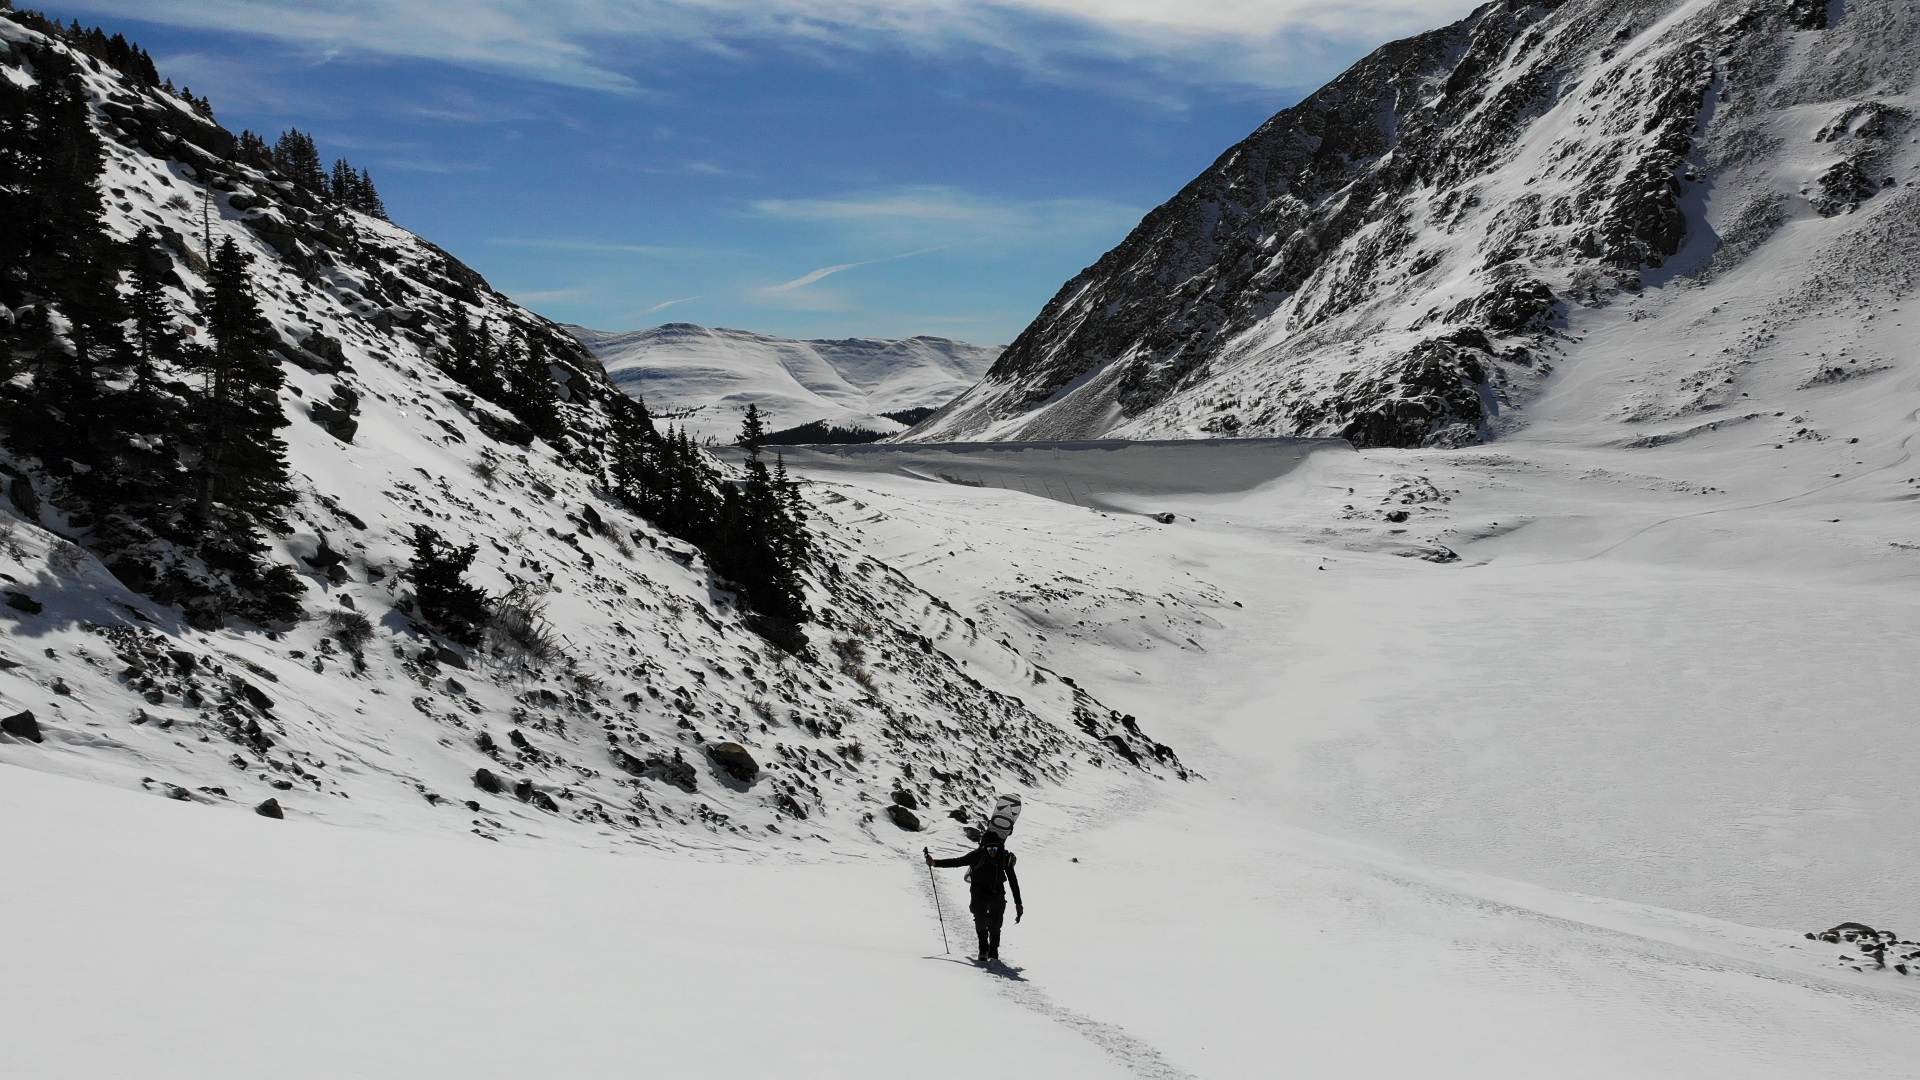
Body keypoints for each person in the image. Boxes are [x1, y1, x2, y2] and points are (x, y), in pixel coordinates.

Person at [925, 831, 1023, 962]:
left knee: (996, 924)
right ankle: (983, 949)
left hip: (997, 893)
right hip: (979, 893)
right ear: (984, 847)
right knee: (980, 922)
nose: (993, 851)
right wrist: (934, 863)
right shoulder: (977, 855)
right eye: (990, 848)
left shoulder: (1004, 857)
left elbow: (1013, 880)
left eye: (995, 848)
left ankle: (993, 952)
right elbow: (957, 862)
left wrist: (1018, 903)